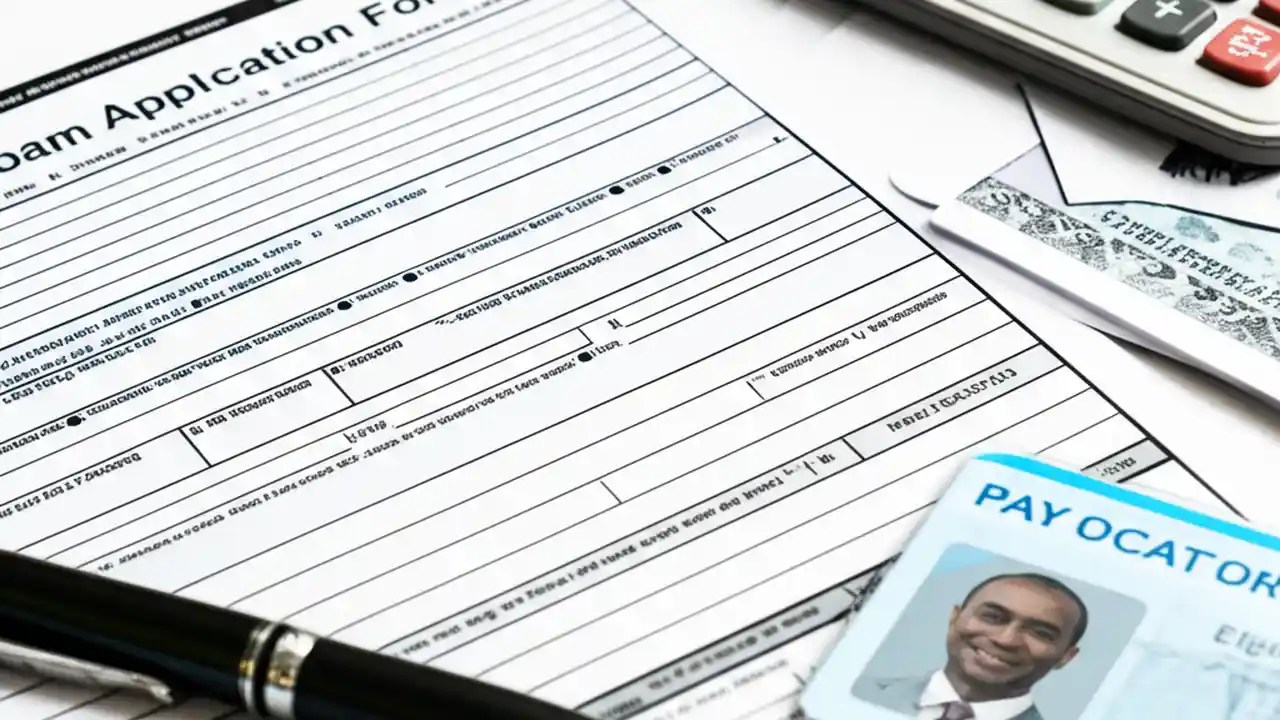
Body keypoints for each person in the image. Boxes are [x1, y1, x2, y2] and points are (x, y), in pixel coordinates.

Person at [859, 573, 1088, 720]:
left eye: (1040, 633)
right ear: (955, 617)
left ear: (1066, 656)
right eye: (992, 617)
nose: (1005, 640)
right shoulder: (858, 689)